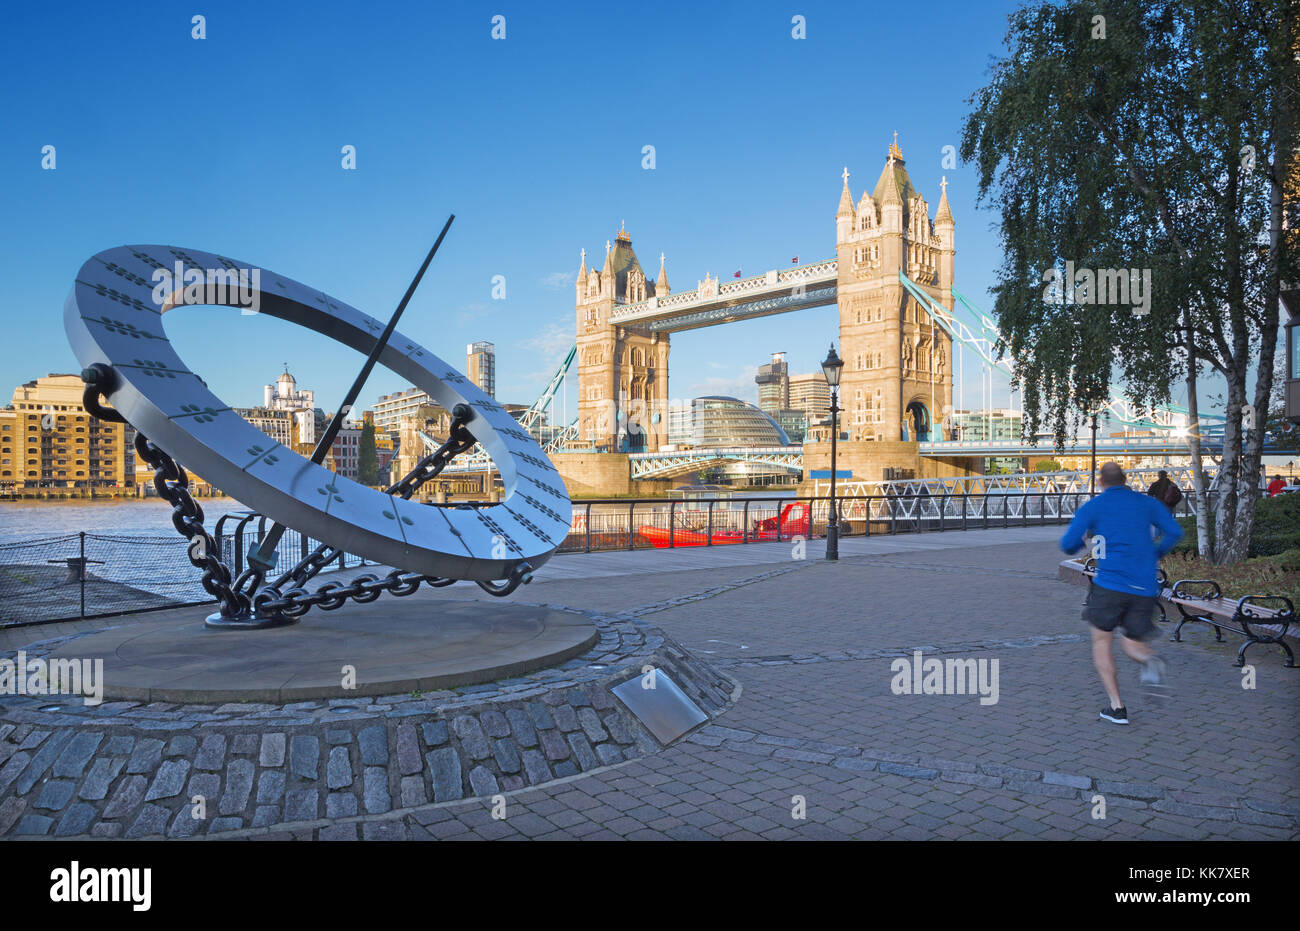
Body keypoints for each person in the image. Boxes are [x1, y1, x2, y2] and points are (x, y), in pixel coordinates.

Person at [1061, 462, 1183, 725]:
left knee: (1102, 642)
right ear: (1126, 480)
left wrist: (1081, 541)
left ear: (1101, 482)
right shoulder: (1147, 504)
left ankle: (1117, 707)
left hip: (1110, 586)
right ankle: (1149, 660)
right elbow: (1174, 531)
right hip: (1144, 587)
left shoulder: (1094, 506)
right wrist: (1156, 552)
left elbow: (1068, 544)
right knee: (1131, 643)